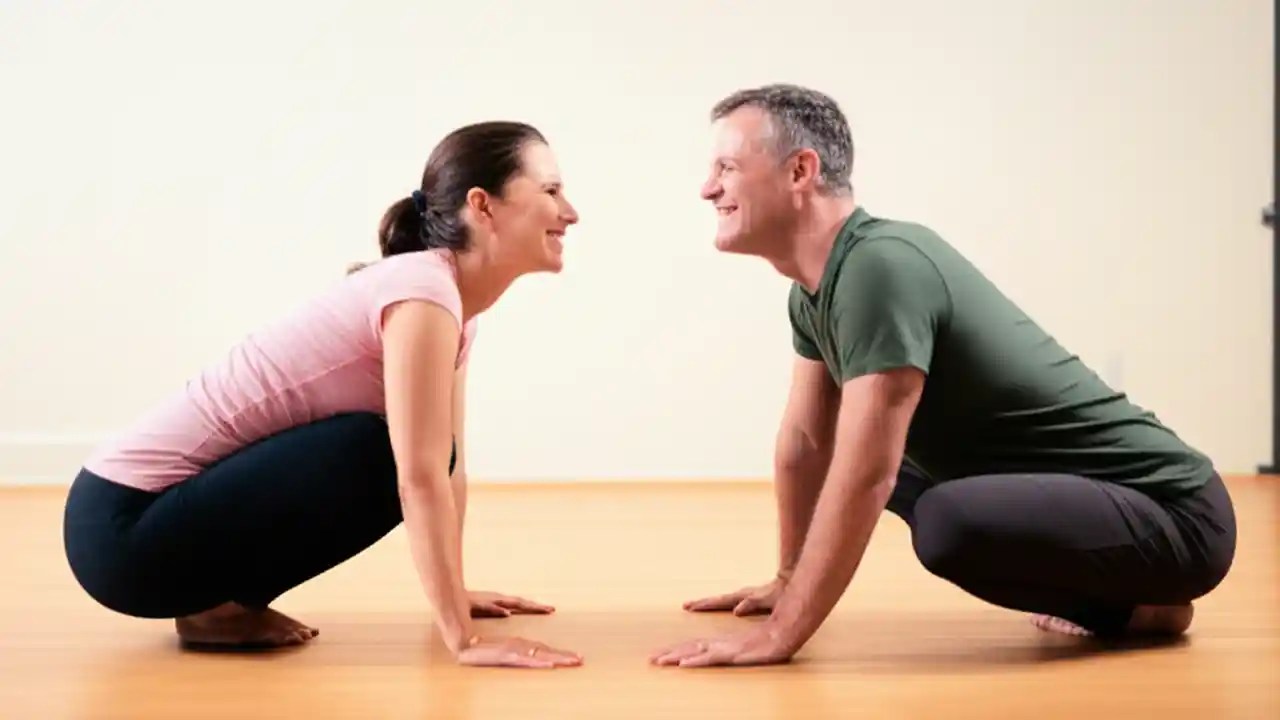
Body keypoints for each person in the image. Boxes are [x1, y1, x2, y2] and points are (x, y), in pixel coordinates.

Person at [650, 84, 1237, 668]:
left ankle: (1140, 611)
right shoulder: (815, 292)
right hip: (1103, 504)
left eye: (726, 168)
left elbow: (864, 476)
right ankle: (1133, 602)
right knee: (881, 466)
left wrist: (783, 634)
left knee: (944, 521)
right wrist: (787, 578)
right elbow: (806, 443)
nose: (708, 189)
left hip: (1176, 514)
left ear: (801, 170)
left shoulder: (879, 267)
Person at [63, 120, 584, 669]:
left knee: (411, 448)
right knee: (378, 451)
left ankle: (213, 607)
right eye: (551, 191)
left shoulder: (449, 304)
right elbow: (419, 475)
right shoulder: (422, 293)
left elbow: (448, 467)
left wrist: (456, 595)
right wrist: (464, 639)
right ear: (483, 206)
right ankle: (212, 605)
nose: (569, 212)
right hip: (121, 526)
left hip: (135, 527)